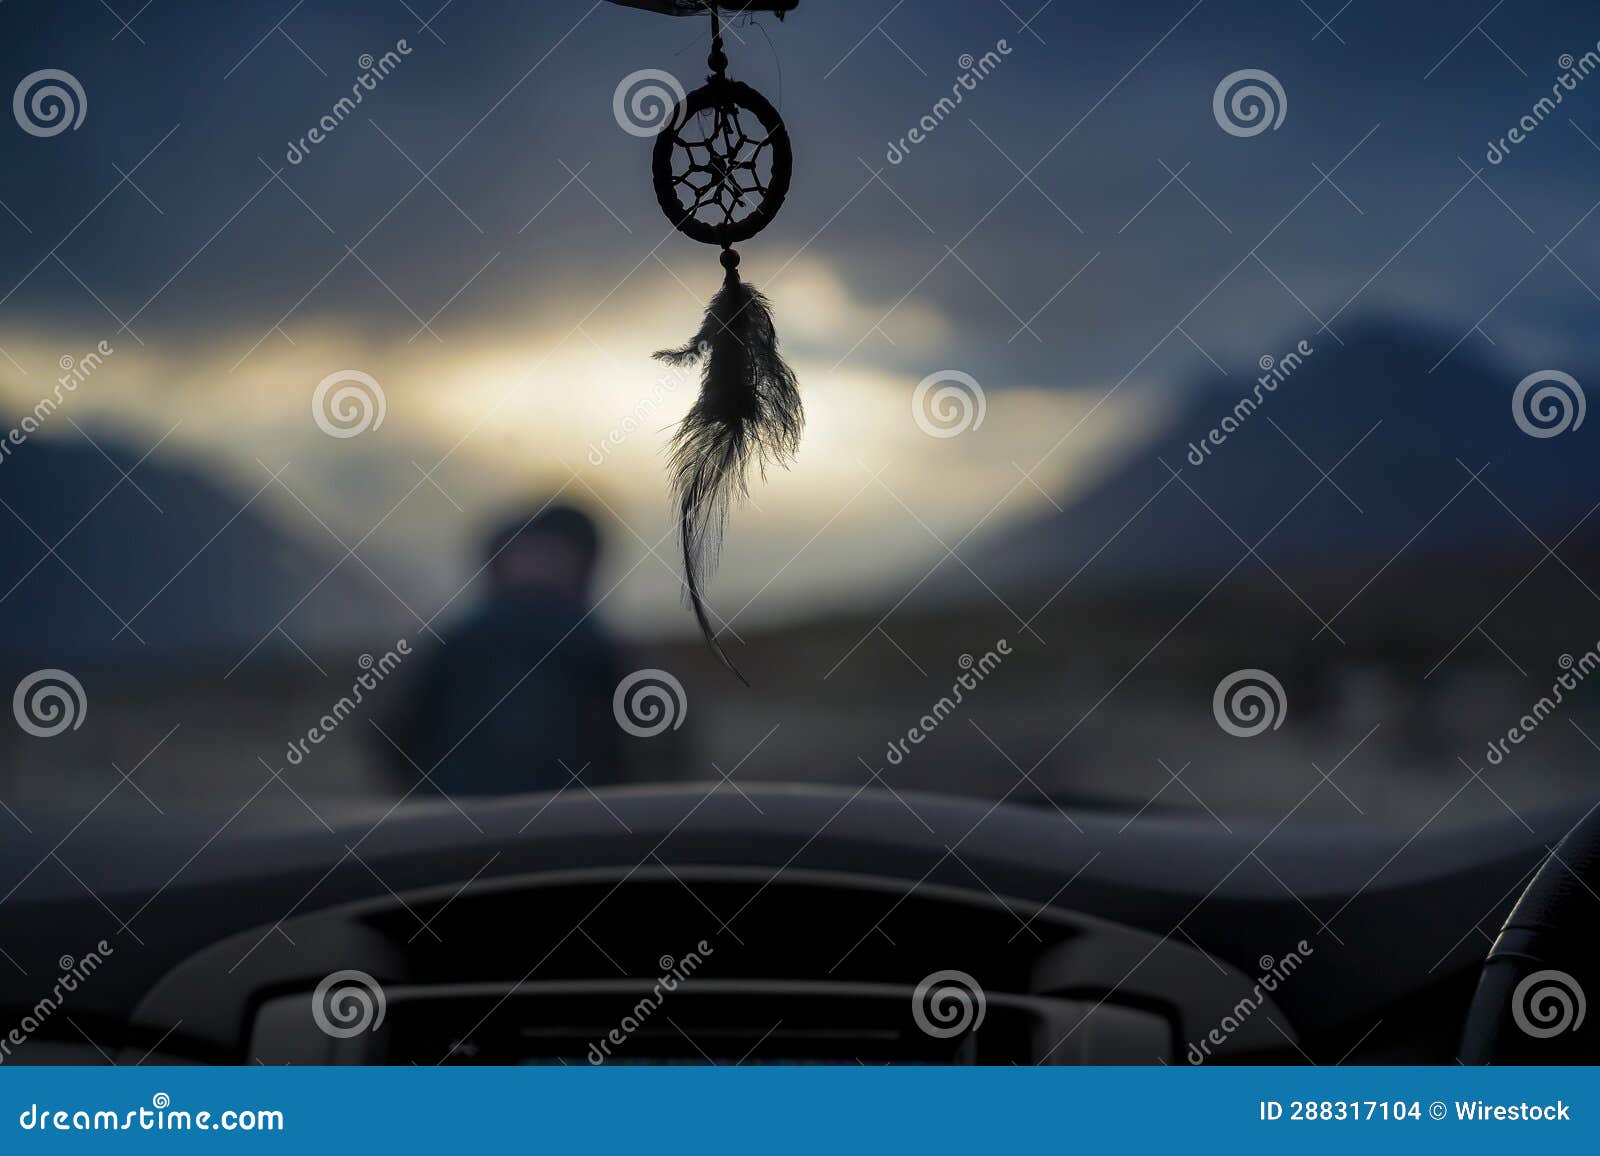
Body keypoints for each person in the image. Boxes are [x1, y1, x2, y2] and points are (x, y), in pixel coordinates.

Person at [384, 502, 625, 796]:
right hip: (575, 817)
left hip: (460, 817)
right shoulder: (590, 640)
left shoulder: (457, 639)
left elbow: (397, 732)